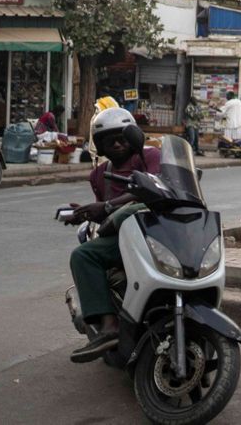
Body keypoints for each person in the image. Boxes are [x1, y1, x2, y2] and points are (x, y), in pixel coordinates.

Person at [66, 106, 162, 363]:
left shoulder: (149, 156)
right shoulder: (98, 175)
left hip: (159, 228)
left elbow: (157, 186)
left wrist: (109, 206)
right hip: (123, 238)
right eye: (111, 141)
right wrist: (87, 213)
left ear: (134, 138)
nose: (118, 144)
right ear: (101, 146)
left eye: (123, 138)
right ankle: (109, 327)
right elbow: (106, 218)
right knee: (83, 256)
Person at [219, 93, 241, 157]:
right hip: (238, 124)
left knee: (228, 139)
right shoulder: (239, 102)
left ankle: (228, 150)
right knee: (237, 139)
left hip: (230, 124)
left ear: (228, 97)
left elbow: (221, 112)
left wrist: (218, 109)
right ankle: (237, 150)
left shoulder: (228, 103)